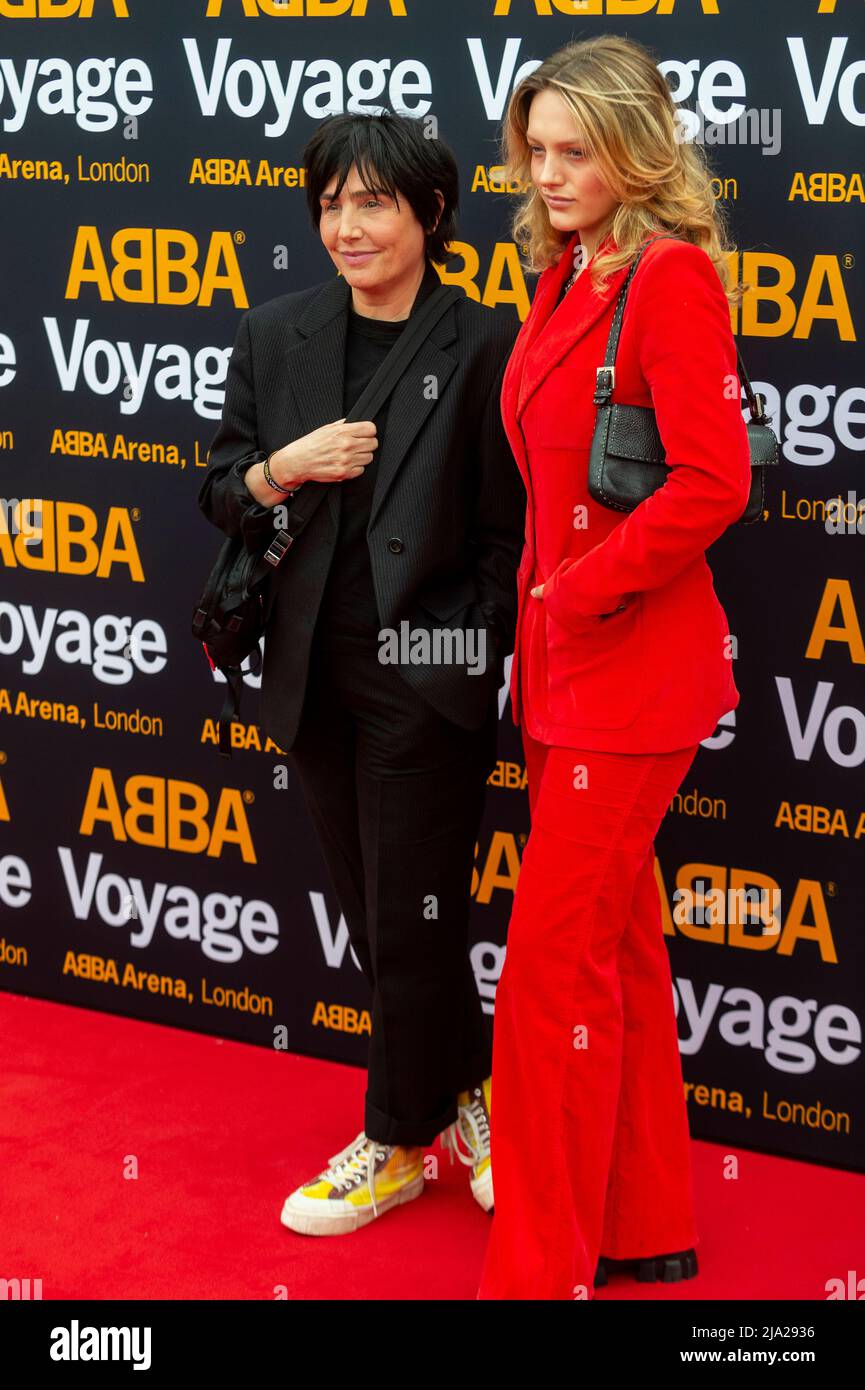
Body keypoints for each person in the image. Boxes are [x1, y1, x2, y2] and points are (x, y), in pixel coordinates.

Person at [198, 111, 525, 1235]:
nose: (347, 224)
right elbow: (219, 488)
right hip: (309, 677)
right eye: (331, 203)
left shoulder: (484, 344)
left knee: (410, 911)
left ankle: (392, 1144)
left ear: (430, 214)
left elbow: (504, 534)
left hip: (422, 680)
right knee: (379, 912)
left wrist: (459, 650)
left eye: (372, 201)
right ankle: (473, 1096)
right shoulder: (276, 331)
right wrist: (280, 469)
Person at [477, 35, 752, 1299]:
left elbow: (713, 478)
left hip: (627, 676)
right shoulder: (568, 276)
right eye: (535, 151)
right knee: (619, 954)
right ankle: (643, 1225)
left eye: (574, 149)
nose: (547, 173)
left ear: (637, 146)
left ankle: (537, 1272)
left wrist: (579, 589)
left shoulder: (672, 275)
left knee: (547, 983)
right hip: (561, 678)